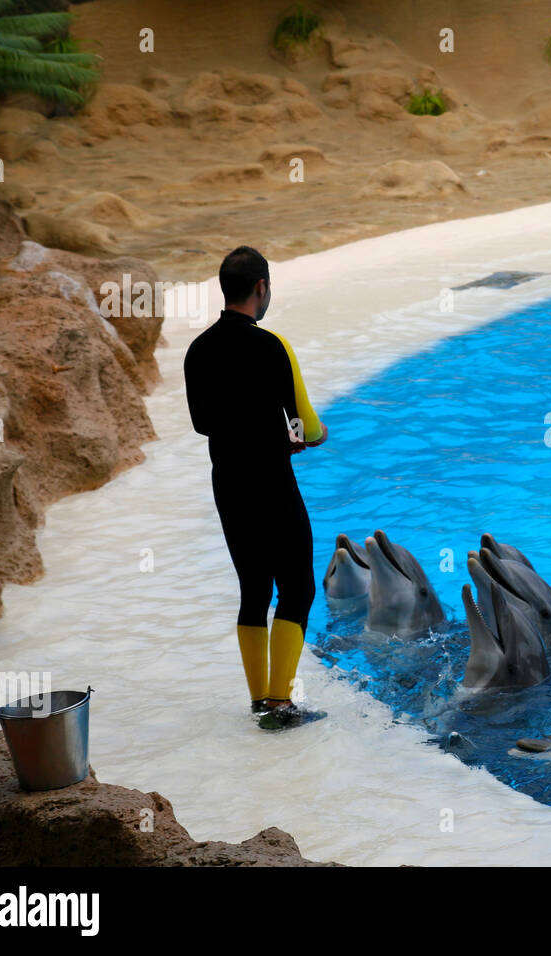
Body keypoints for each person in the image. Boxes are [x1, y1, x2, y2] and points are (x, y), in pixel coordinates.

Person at [183, 246, 328, 729]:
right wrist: (313, 434)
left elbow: (203, 423)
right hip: (271, 484)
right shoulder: (272, 347)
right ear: (261, 288)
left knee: (252, 589)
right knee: (298, 587)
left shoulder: (198, 351)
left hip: (228, 482)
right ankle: (280, 701)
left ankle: (258, 700)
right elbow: (300, 430)